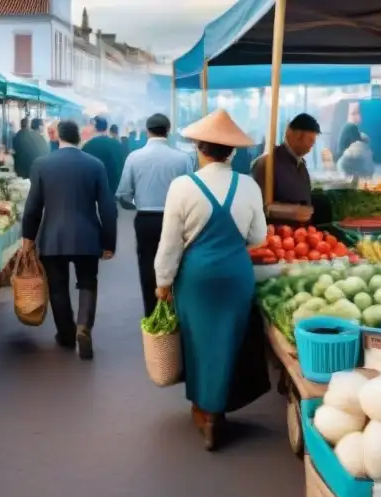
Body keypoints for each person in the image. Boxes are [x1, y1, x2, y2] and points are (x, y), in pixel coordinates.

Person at [154, 110, 270, 450]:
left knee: (197, 339)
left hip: (197, 277)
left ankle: (205, 411)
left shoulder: (182, 186)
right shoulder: (248, 185)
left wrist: (162, 282)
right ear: (231, 152)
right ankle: (217, 412)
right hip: (235, 274)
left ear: (199, 149)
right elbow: (259, 237)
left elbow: (170, 242)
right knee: (228, 339)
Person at [21, 120, 117, 359]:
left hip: (53, 237)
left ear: (58, 138)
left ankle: (66, 334)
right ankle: (84, 327)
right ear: (79, 139)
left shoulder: (42, 164)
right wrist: (109, 241)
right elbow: (107, 207)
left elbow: (32, 207)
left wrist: (28, 237)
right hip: (87, 236)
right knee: (87, 282)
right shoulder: (95, 165)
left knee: (57, 287)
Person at [116, 113, 193, 317]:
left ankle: (151, 313)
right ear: (167, 131)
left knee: (147, 265)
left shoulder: (134, 157)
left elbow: (123, 194)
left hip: (145, 219)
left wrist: (139, 204)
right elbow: (192, 191)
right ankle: (174, 312)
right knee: (176, 263)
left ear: (147, 131)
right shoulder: (183, 159)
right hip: (176, 218)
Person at [251, 113, 320, 225]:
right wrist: (291, 211)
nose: (311, 146)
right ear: (297, 135)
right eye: (310, 140)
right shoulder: (266, 164)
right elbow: (256, 207)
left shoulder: (302, 165)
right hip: (276, 237)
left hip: (302, 236)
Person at [82, 116, 125, 196]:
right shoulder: (117, 144)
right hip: (112, 189)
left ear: (94, 127)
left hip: (93, 190)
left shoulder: (88, 145)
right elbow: (121, 165)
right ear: (106, 128)